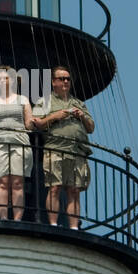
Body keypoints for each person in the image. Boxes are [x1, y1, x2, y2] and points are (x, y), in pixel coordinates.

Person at [31, 66, 94, 229]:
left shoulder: (78, 103)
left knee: (74, 190)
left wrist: (82, 117)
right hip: (55, 149)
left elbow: (91, 127)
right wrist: (55, 116)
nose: (65, 81)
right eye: (61, 78)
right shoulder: (43, 101)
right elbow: (34, 123)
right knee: (54, 187)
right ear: (53, 82)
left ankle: (73, 227)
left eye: (67, 78)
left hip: (77, 151)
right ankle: (52, 224)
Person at [0, 66, 35, 220]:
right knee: (2, 182)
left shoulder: (23, 100)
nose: (1, 81)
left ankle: (17, 219)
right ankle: (4, 219)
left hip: (20, 142)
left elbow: (28, 124)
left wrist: (34, 121)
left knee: (18, 182)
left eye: (4, 78)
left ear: (12, 80)